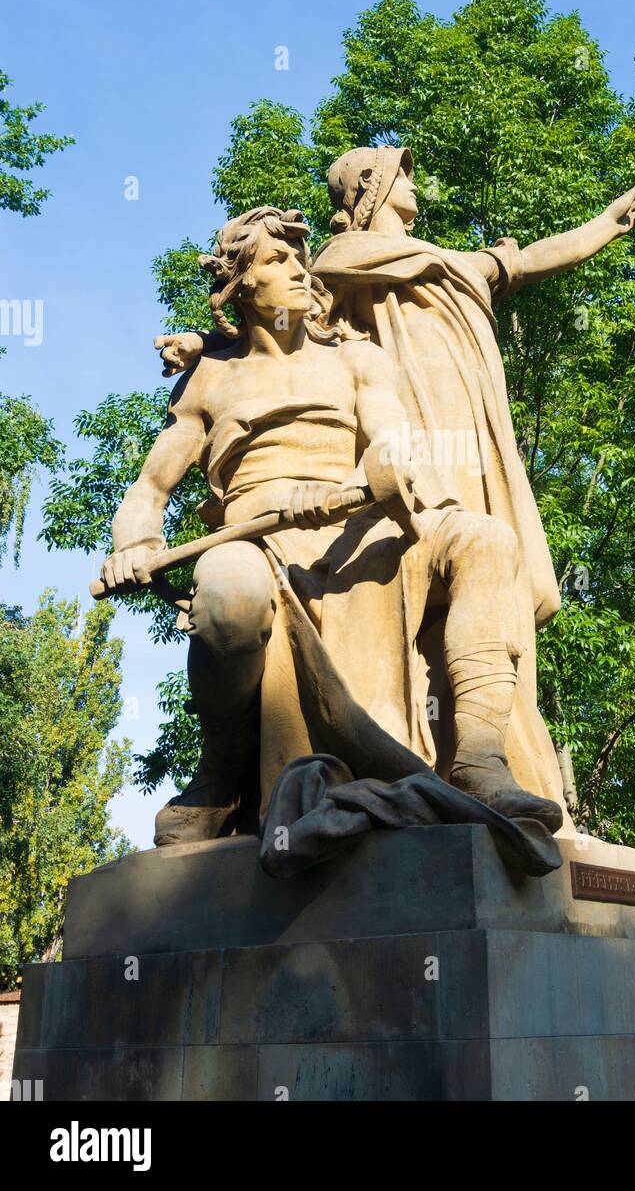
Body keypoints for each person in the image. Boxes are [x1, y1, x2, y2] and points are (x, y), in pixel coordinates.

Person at [156, 148, 635, 813]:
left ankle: (481, 760)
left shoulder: (445, 265)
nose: (416, 184)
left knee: (484, 549)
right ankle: (271, 765)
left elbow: (526, 260)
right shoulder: (334, 263)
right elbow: (274, 332)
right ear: (372, 185)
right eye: (404, 173)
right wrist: (202, 344)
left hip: (443, 449)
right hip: (366, 468)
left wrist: (604, 225)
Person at [103, 206, 564, 846]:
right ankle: (221, 774)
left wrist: (381, 465)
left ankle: (480, 761)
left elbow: (391, 433)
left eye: (297, 256)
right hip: (256, 538)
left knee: (486, 540)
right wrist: (135, 542)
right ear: (239, 287)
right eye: (275, 260)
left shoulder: (355, 359)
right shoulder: (212, 376)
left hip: (359, 521)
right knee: (227, 596)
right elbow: (151, 487)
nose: (298, 269)